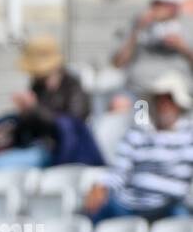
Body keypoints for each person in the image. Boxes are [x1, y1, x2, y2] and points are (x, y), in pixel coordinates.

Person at [0, 35, 95, 175]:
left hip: (59, 150)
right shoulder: (38, 87)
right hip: (35, 146)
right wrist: (25, 113)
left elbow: (70, 124)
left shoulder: (73, 88)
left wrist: (33, 108)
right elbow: (30, 127)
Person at [83, 72, 193, 223]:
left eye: (169, 99)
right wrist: (102, 186)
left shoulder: (189, 135)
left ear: (178, 104)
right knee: (96, 210)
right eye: (159, 99)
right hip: (131, 206)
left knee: (183, 220)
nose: (163, 105)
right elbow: (119, 171)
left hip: (170, 206)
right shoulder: (138, 132)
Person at [112, 0, 193, 97]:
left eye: (163, 3)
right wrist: (137, 31)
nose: (157, 7)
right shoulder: (138, 23)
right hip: (140, 92)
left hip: (176, 97)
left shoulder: (188, 24)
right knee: (124, 106)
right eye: (155, 2)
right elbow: (118, 63)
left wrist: (182, 47)